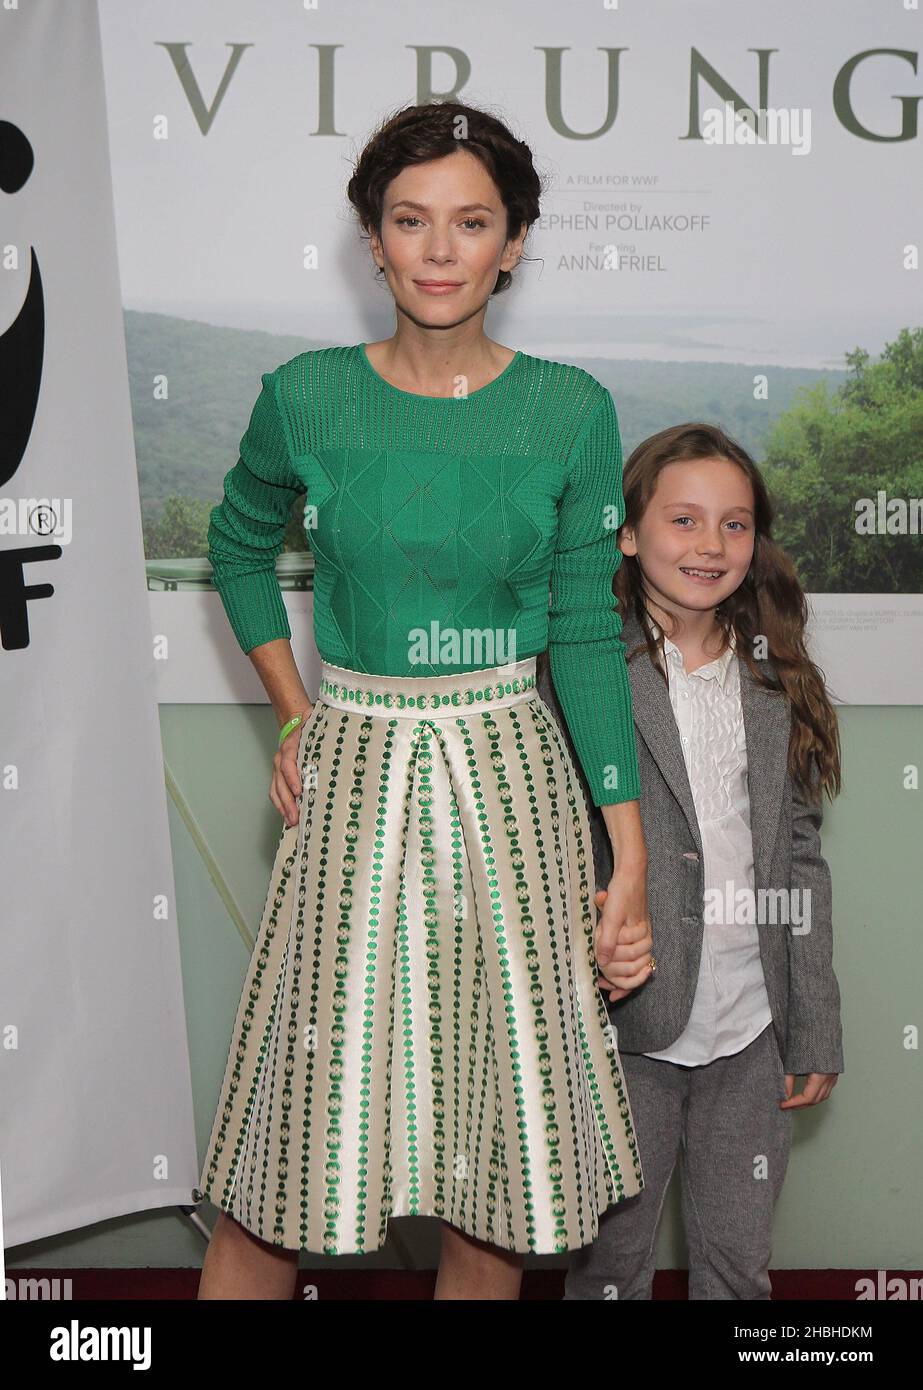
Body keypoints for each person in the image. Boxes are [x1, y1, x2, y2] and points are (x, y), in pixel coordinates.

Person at [194, 100, 655, 1302]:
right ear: (373, 239)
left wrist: (627, 857)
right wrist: (292, 709)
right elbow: (236, 546)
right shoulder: (302, 396)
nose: (438, 249)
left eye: (470, 223)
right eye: (410, 220)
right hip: (351, 779)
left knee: (489, 1197)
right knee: (273, 1173)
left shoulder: (569, 409)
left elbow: (584, 632)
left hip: (512, 792)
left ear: (512, 245)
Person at [537, 421, 844, 1300]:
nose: (710, 545)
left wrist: (812, 1017)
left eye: (734, 524)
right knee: (609, 1266)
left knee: (738, 1265)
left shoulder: (772, 677)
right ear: (627, 534)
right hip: (620, 1024)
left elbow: (798, 853)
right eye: (682, 520)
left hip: (750, 1022)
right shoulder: (580, 670)